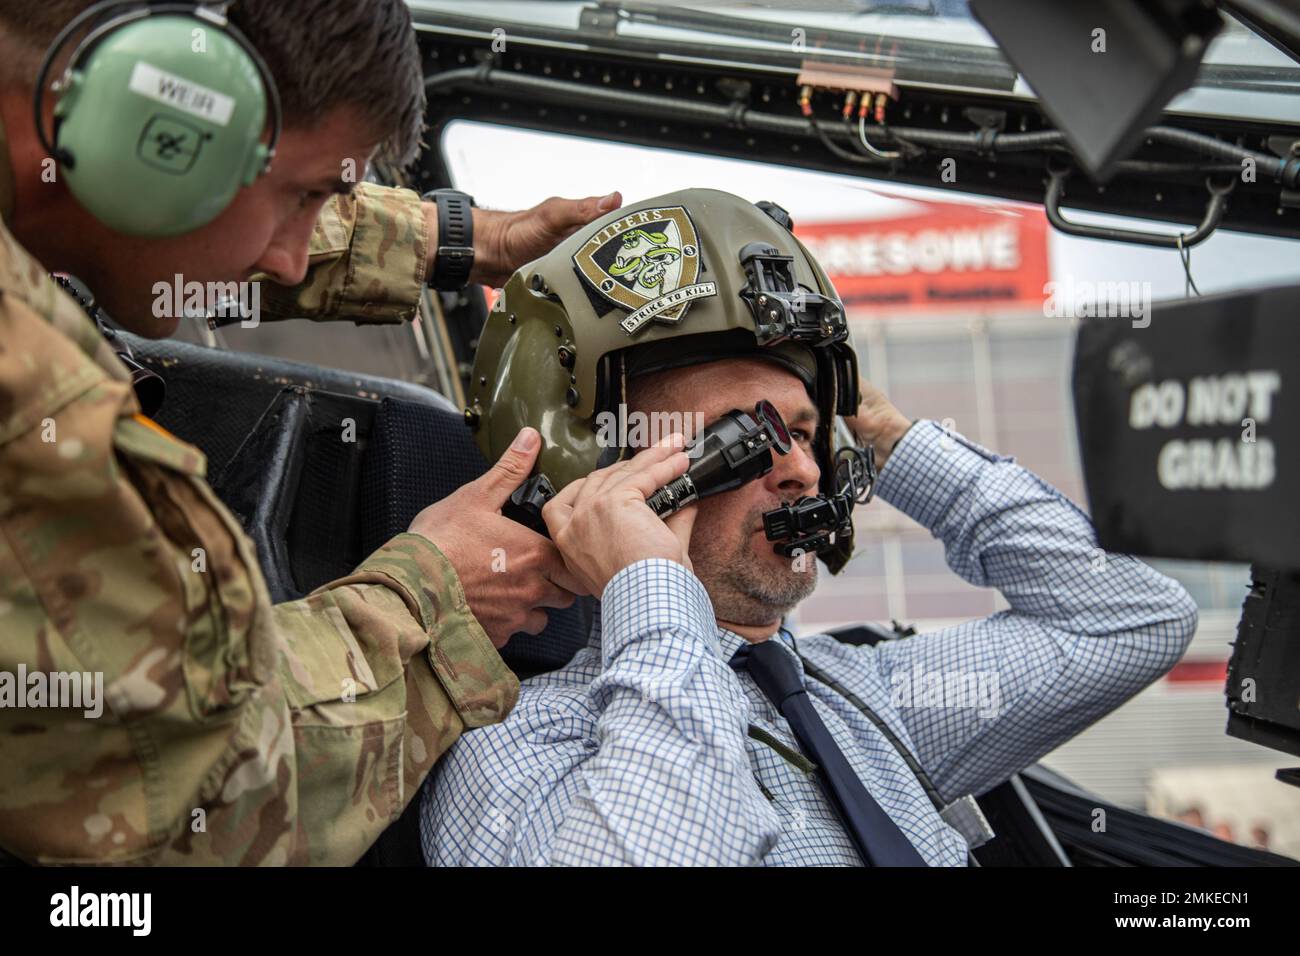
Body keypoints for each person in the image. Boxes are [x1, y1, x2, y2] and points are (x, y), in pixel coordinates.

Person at [0, 0, 616, 864]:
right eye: (302, 196)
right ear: (151, 128)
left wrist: (465, 239)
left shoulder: (77, 141)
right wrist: (435, 604)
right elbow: (192, 793)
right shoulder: (32, 398)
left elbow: (214, 200)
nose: (289, 260)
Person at [420, 188, 1199, 866]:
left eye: (806, 432)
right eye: (740, 439)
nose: (801, 469)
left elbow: (1130, 616)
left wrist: (888, 433)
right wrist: (646, 587)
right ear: (597, 477)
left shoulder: (867, 699)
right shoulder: (518, 745)